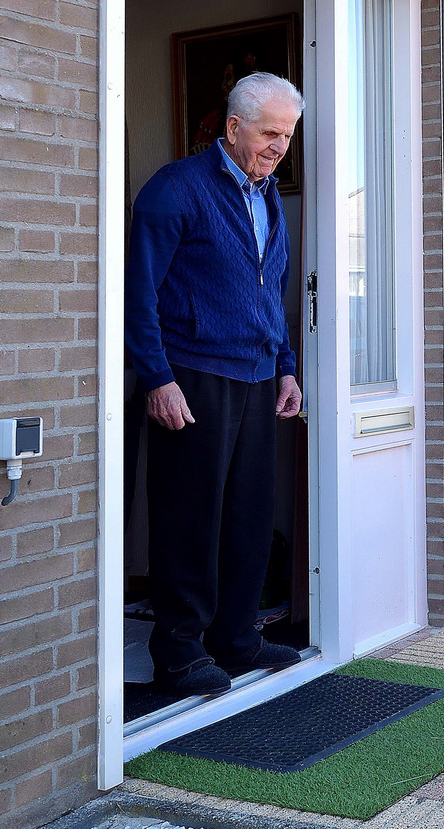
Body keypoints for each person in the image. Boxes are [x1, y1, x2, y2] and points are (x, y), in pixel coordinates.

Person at [126, 72, 305, 698]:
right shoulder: (175, 190)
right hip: (192, 377)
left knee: (249, 517)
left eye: (288, 135)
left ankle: (237, 638)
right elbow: (136, 296)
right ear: (233, 128)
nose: (281, 146)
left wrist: (284, 364)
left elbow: (268, 292)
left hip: (257, 376)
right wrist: (157, 377)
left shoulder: (268, 196)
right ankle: (178, 653)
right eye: (270, 133)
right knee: (188, 519)